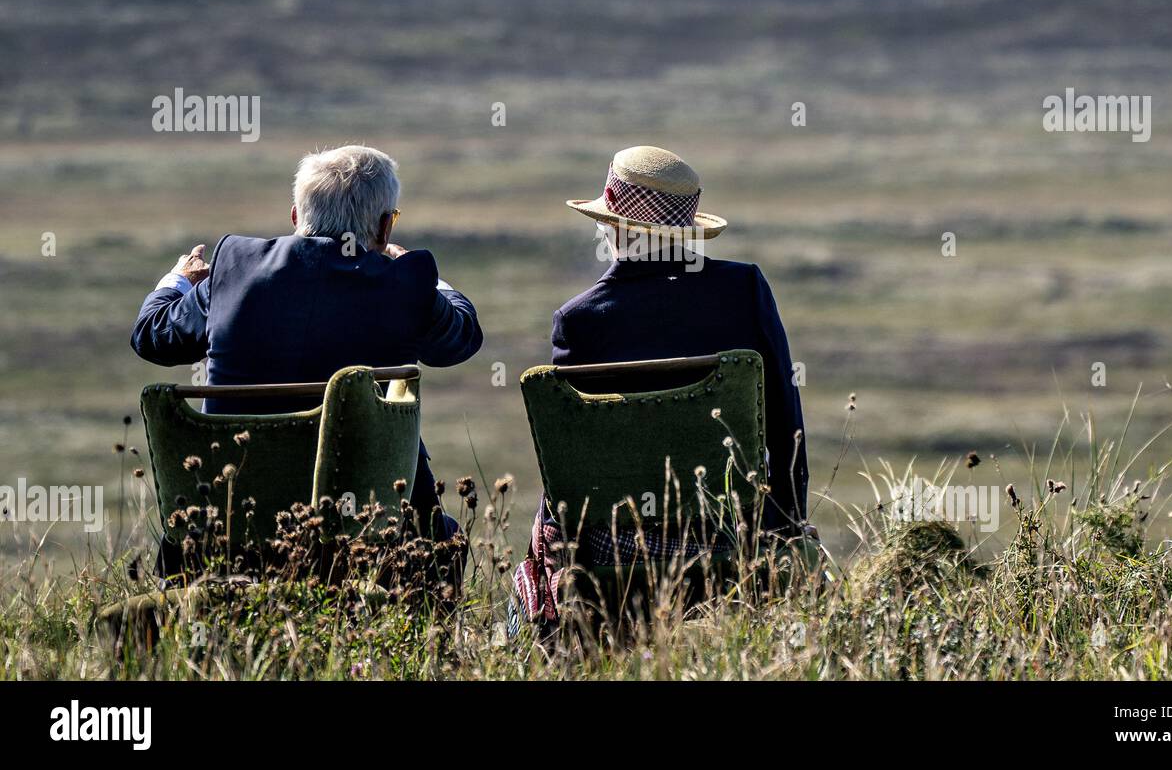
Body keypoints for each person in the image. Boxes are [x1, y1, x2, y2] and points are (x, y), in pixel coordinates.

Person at [131, 144, 482, 573]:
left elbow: (152, 337)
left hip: (228, 531)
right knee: (444, 533)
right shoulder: (403, 286)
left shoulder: (234, 271)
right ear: (386, 227)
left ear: (296, 217)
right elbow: (462, 338)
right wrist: (422, 276)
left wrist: (178, 281)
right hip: (377, 533)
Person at [552, 145, 809, 531]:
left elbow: (572, 452)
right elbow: (785, 417)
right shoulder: (744, 290)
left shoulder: (579, 320)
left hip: (622, 538)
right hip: (737, 530)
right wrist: (788, 525)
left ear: (609, 220)